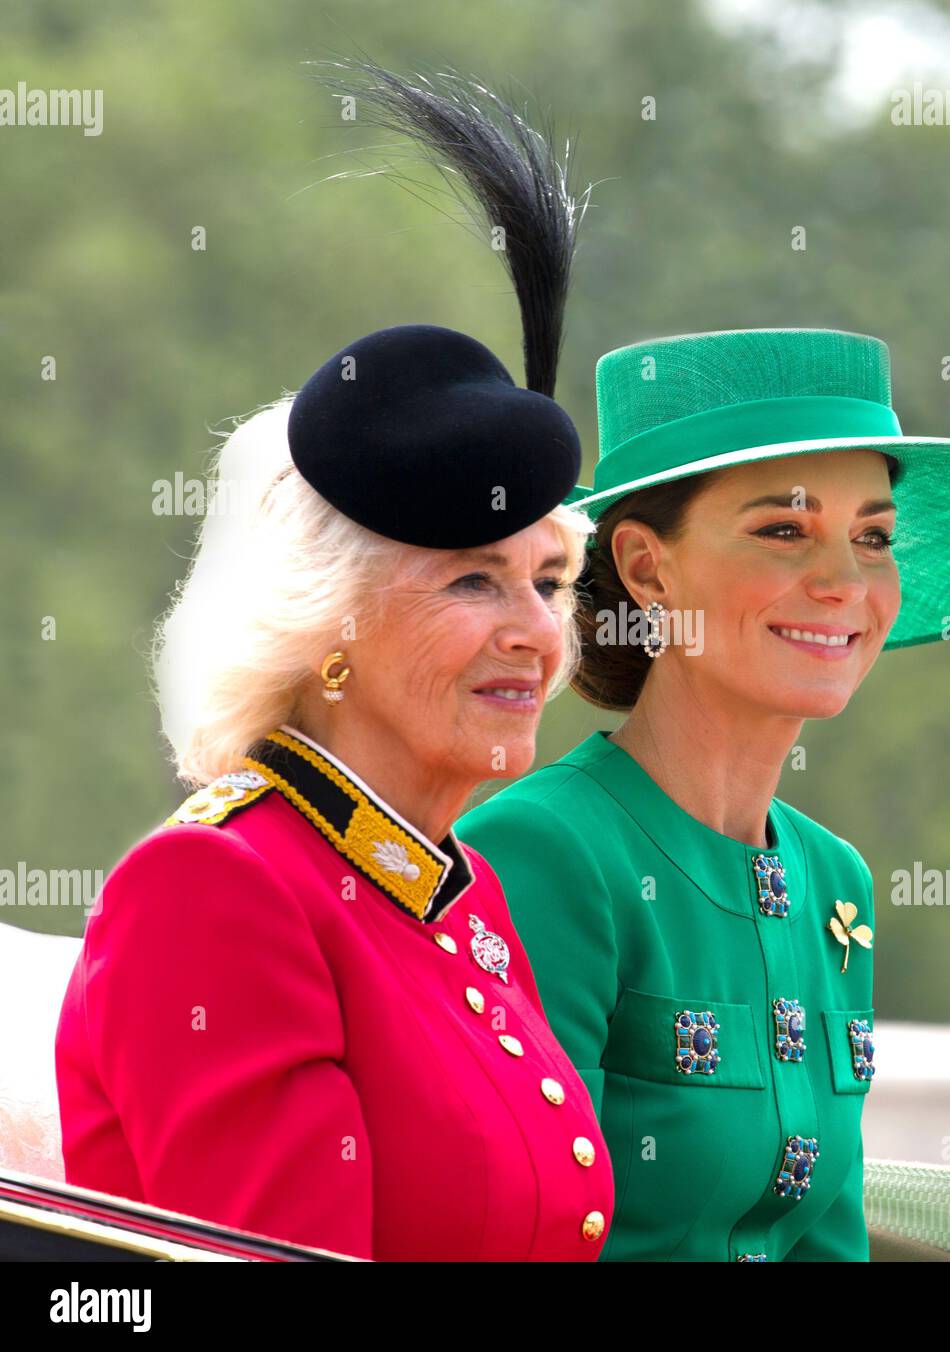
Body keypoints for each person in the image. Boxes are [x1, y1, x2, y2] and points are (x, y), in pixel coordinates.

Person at [55, 63, 614, 1261]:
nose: (534, 628)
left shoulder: (456, 892)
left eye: (548, 581)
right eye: (473, 578)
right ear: (329, 626)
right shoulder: (217, 891)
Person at [457, 325, 950, 1261]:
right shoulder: (544, 851)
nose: (844, 582)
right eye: (785, 531)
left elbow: (829, 1240)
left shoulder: (835, 882)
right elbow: (519, 1232)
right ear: (646, 567)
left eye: (874, 537)